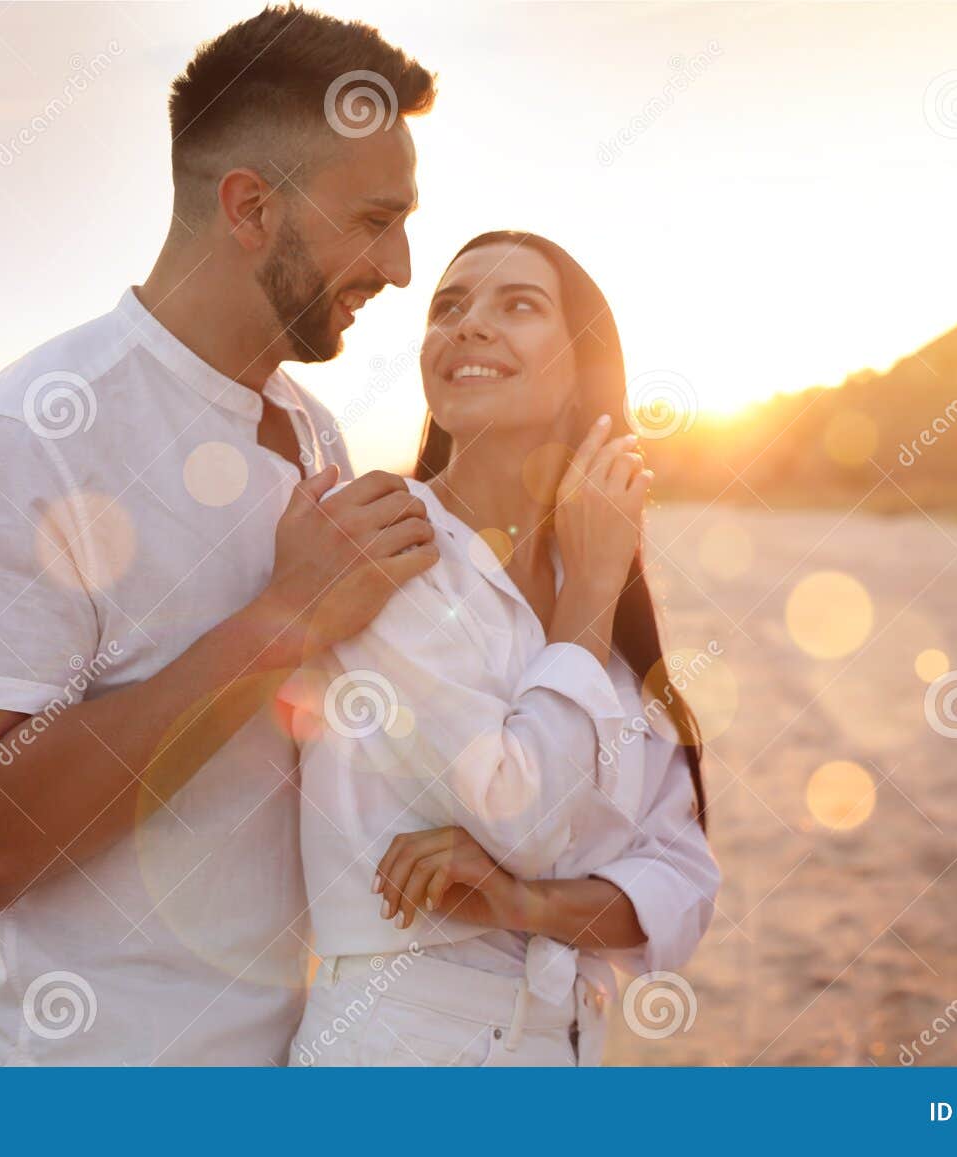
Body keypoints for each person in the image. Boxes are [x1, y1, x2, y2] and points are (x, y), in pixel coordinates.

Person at [0, 6, 440, 1065]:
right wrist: (282, 619)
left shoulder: (311, 423)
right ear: (250, 208)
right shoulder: (26, 437)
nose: (404, 265)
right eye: (375, 219)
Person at [289, 232, 720, 1066]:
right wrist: (589, 597)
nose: (469, 326)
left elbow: (682, 884)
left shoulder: (593, 566)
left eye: (516, 305)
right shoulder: (386, 540)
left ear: (581, 364)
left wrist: (520, 903)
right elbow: (516, 811)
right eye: (447, 308)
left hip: (567, 1050)